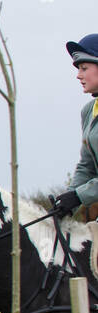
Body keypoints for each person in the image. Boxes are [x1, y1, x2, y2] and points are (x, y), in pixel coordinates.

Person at [51, 34, 98, 222]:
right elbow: (87, 167)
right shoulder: (88, 112)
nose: (79, 75)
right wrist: (68, 200)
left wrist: (79, 196)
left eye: (84, 68)